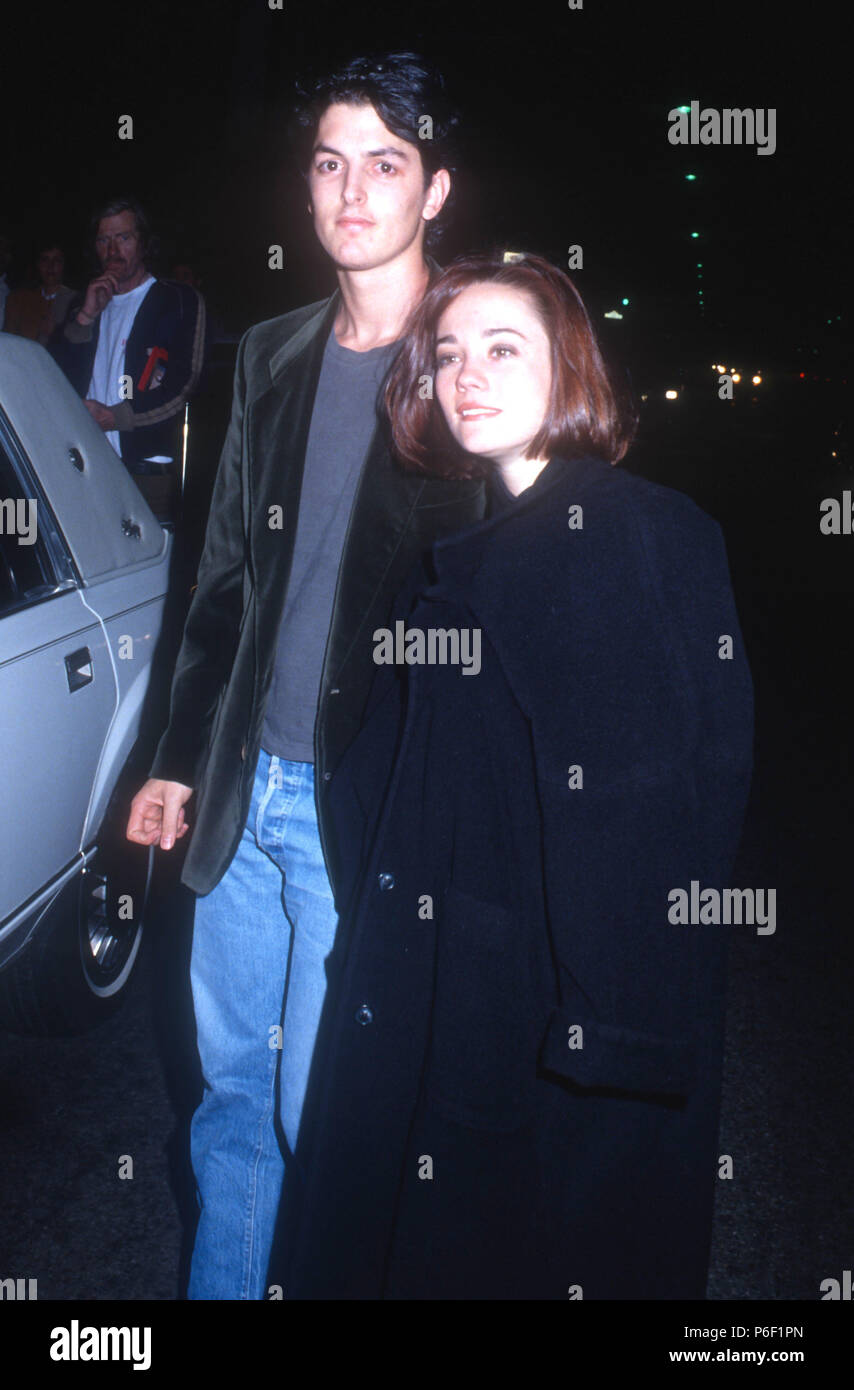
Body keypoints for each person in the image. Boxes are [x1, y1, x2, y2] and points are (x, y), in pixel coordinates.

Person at [276, 252, 755, 1300]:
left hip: (552, 1022)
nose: (466, 377)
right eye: (446, 355)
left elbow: (666, 793)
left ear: (569, 371)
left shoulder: (628, 532)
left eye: (502, 349)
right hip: (458, 986)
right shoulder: (476, 542)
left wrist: (612, 1030)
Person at [125, 53, 486, 1300]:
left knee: (325, 1118)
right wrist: (174, 759)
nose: (350, 191)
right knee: (231, 1106)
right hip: (244, 792)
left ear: (433, 189)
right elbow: (217, 583)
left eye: (383, 164)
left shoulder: (473, 365)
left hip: (366, 812)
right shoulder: (271, 354)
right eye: (329, 163)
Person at [49, 197, 205, 521]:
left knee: (148, 564)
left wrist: (115, 417)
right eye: (104, 239)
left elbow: (183, 384)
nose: (112, 249)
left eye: (124, 237)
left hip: (146, 471)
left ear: (144, 243)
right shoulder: (85, 300)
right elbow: (53, 377)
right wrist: (85, 317)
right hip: (85, 466)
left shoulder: (176, 300)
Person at [3, 241, 75, 345]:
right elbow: (8, 343)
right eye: (45, 260)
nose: (51, 266)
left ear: (64, 265)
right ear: (37, 264)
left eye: (57, 260)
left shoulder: (75, 301)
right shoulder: (17, 300)